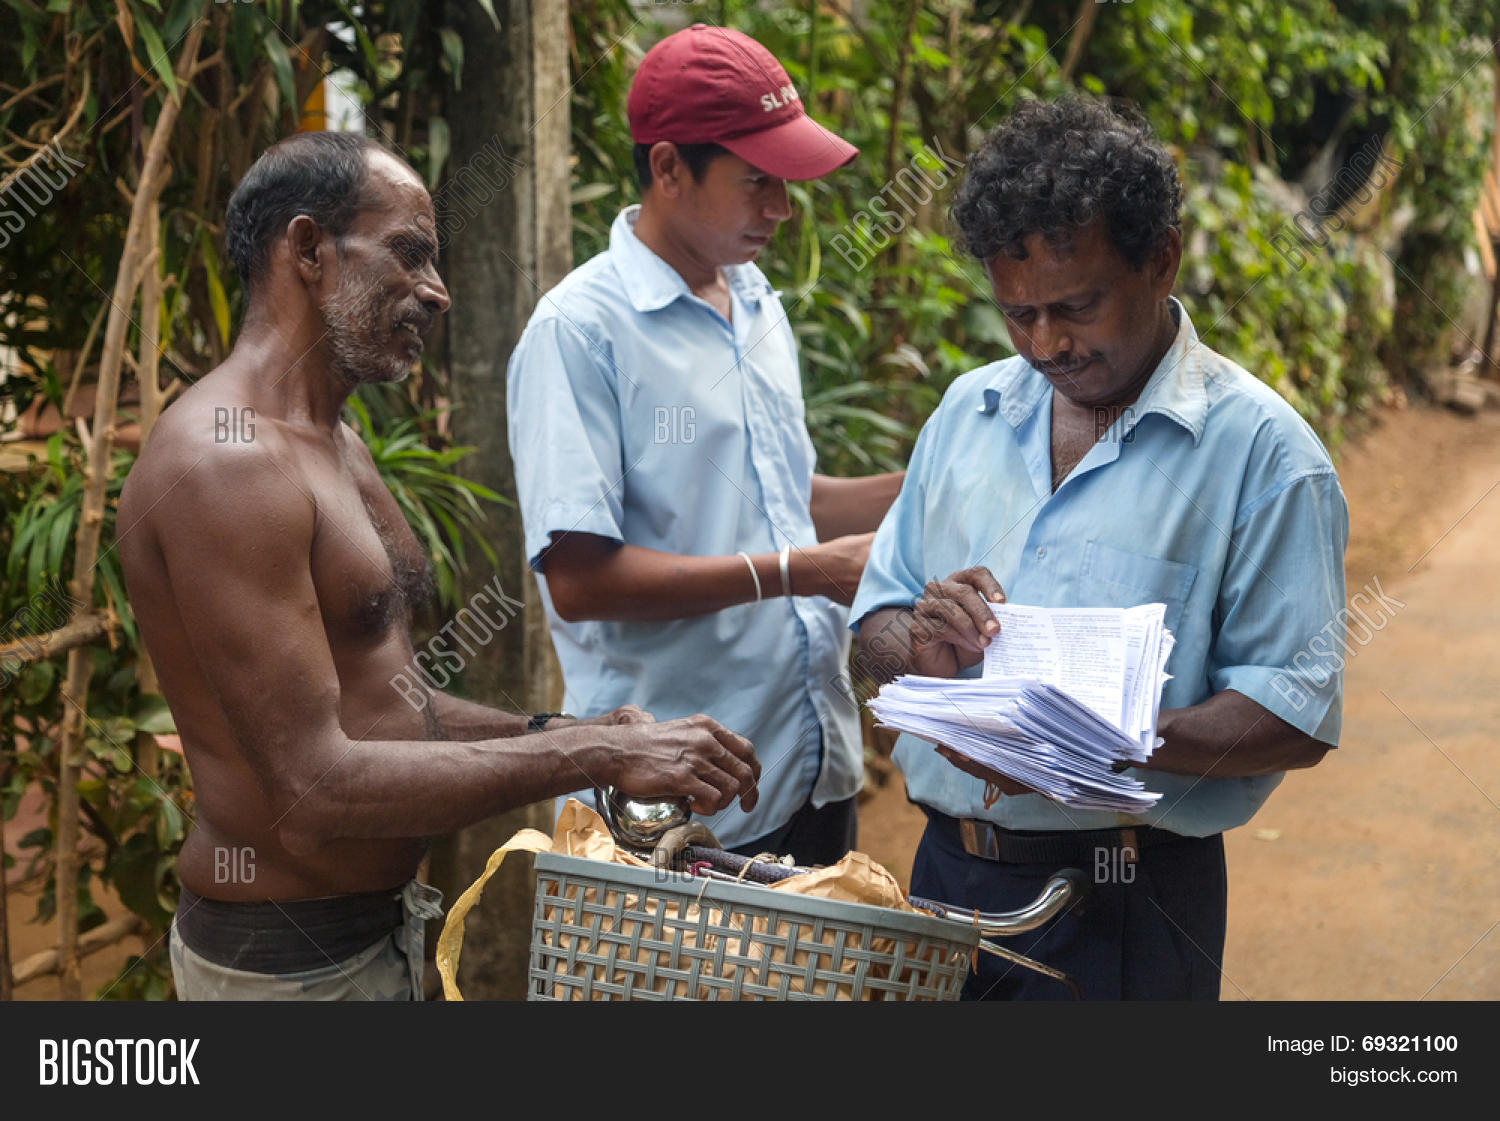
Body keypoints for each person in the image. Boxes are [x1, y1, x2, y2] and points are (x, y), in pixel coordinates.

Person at [116, 132, 759, 1001]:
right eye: (409, 253)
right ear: (307, 249)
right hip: (286, 971)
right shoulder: (226, 463)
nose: (436, 291)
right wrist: (596, 754)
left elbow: (390, 706)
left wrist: (567, 730)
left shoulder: (338, 440)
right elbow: (315, 787)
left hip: (378, 932)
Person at [849, 97, 1348, 1001]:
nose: (1046, 344)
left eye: (1077, 306)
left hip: (1130, 898)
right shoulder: (968, 413)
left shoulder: (1265, 457)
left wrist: (1089, 739)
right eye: (1018, 313)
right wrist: (921, 654)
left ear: (1162, 260)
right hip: (944, 885)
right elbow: (874, 623)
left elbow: (1295, 712)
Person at [507, 24, 902, 865]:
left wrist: (934, 473)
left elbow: (786, 498)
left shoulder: (757, 300)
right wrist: (798, 570)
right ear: (667, 168)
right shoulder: (581, 332)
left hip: (810, 764)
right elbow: (578, 579)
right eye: (757, 181)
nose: (782, 209)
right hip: (678, 794)